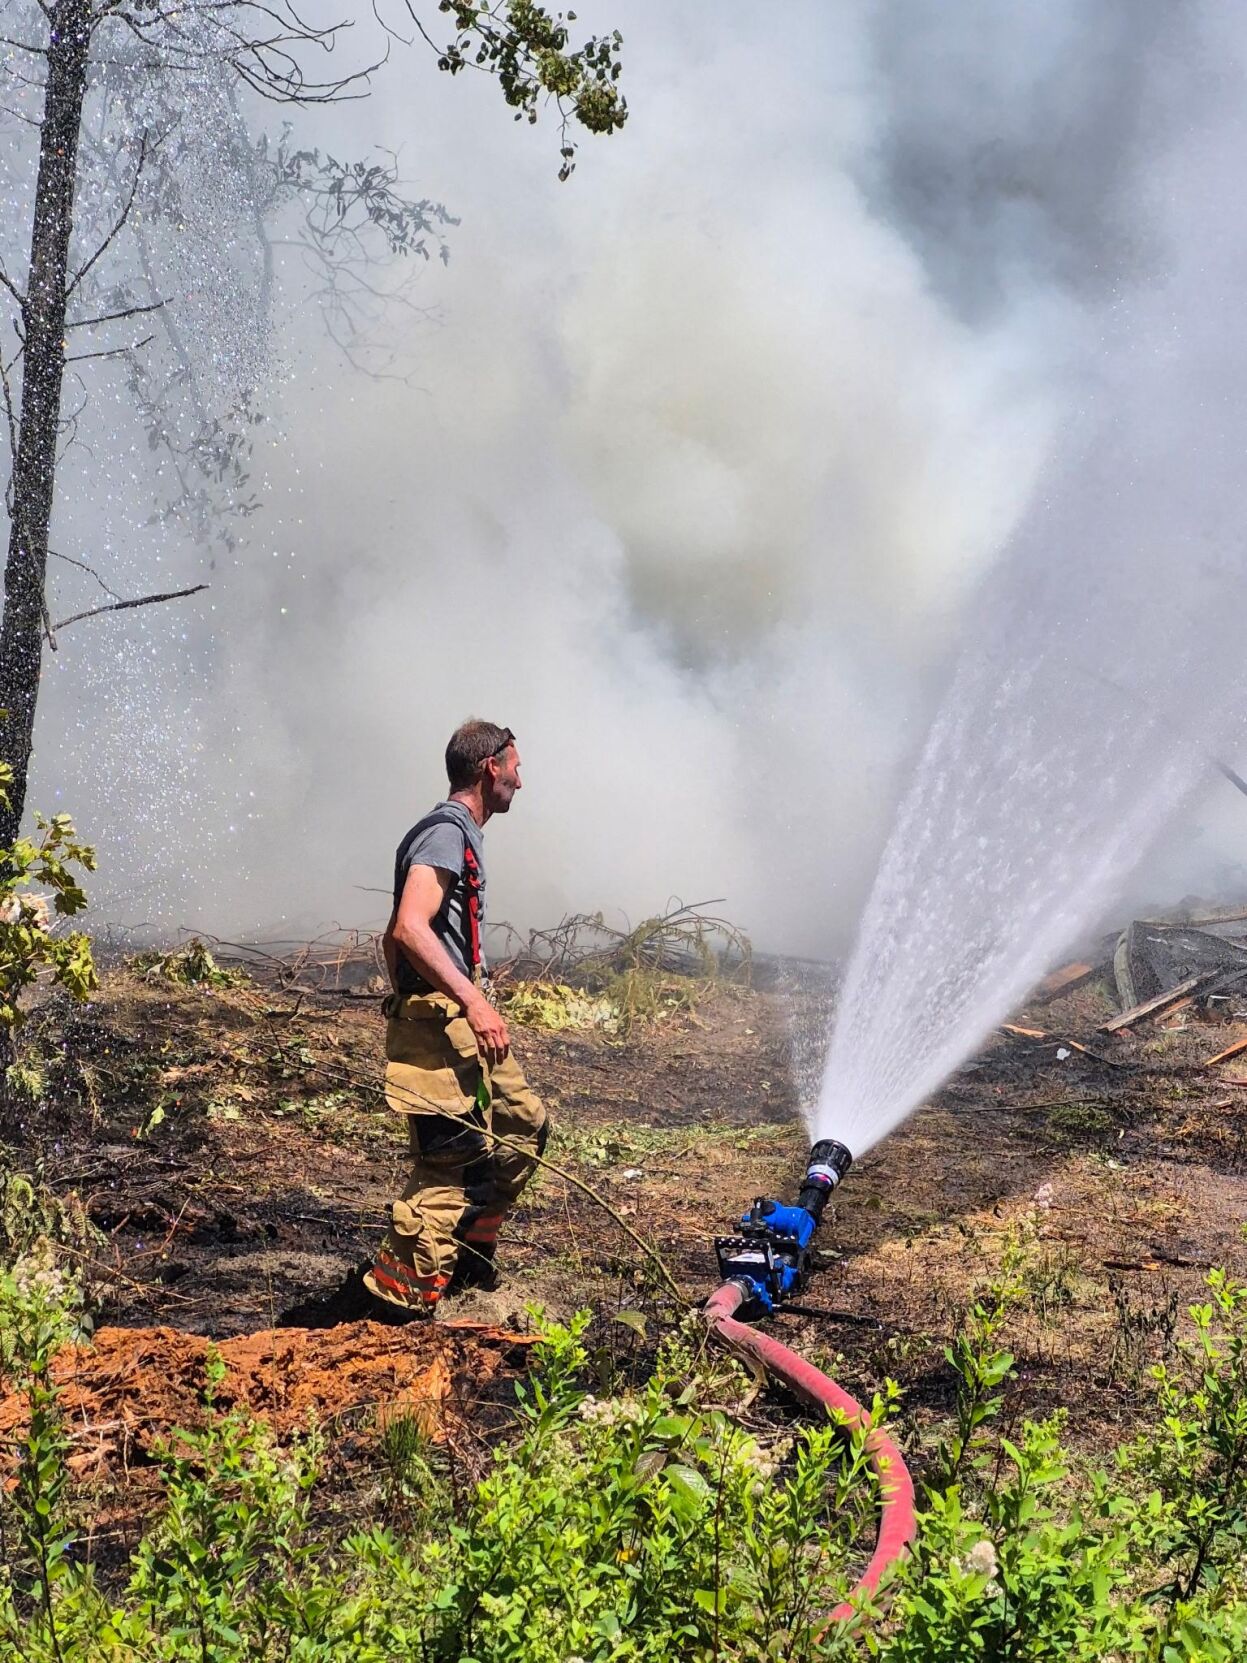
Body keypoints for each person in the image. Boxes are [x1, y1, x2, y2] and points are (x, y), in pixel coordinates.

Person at [364, 719, 547, 1319]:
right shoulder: (445, 834)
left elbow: (392, 938)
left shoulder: (460, 834)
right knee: (451, 1165)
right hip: (444, 1024)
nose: (521, 780)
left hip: (455, 1022)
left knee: (523, 1126)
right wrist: (469, 1001)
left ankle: (469, 1253)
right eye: (515, 767)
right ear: (491, 767)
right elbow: (408, 928)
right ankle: (395, 1309)